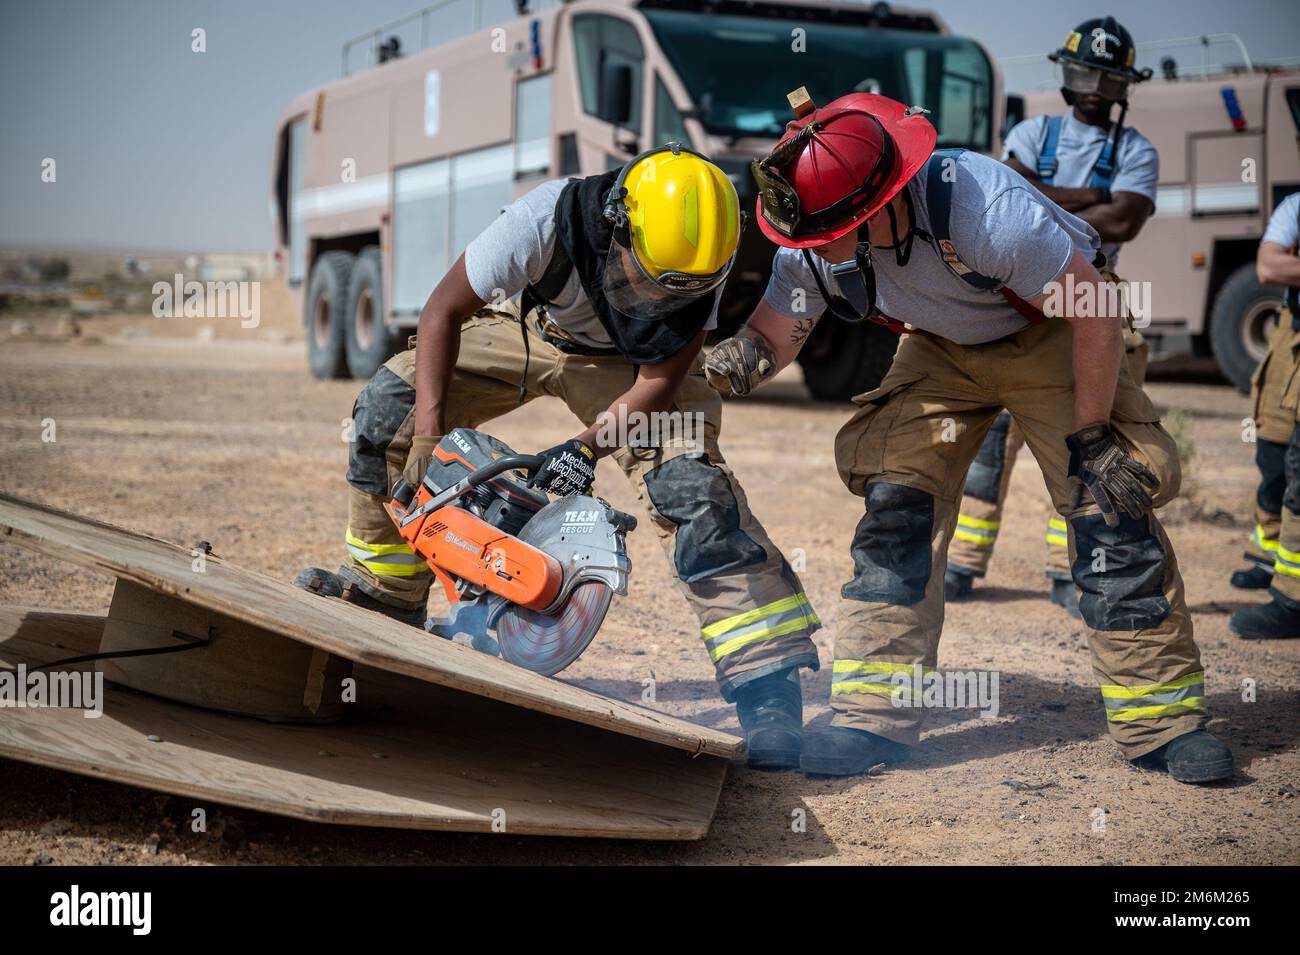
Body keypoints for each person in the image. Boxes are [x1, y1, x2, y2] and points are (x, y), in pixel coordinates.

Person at [705, 89, 1233, 783]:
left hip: (1054, 335)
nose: (806, 254)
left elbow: (1096, 310)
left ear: (877, 207)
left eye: (820, 239)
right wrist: (714, 367)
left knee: (1109, 509)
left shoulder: (987, 213)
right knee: (897, 509)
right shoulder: (811, 243)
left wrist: (1094, 433)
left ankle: (1164, 721)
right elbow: (772, 337)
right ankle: (872, 714)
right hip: (942, 351)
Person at [295, 145, 821, 767]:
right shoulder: (542, 220)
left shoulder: (706, 249)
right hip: (535, 333)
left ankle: (768, 688)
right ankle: (389, 591)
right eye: (644, 278)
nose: (654, 298)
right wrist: (432, 435)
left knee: (693, 493)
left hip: (635, 370)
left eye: (669, 291)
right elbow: (442, 311)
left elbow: (664, 370)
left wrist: (586, 447)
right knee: (389, 409)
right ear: (618, 224)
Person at [946, 16, 1157, 614]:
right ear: (1066, 75)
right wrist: (1093, 196)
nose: (1093, 86)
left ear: (1124, 86)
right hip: (1017, 304)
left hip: (1089, 303)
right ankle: (963, 563)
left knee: (1081, 438)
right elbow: (1010, 191)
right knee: (991, 443)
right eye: (1082, 71)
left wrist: (1046, 191)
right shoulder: (1034, 130)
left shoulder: (1137, 149)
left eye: (1106, 77)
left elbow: (1124, 222)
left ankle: (1070, 572)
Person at [1228, 192, 1300, 639]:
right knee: (1273, 458)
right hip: (1291, 336)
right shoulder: (1295, 205)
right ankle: (1268, 557)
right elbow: (1269, 267)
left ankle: (1291, 595)